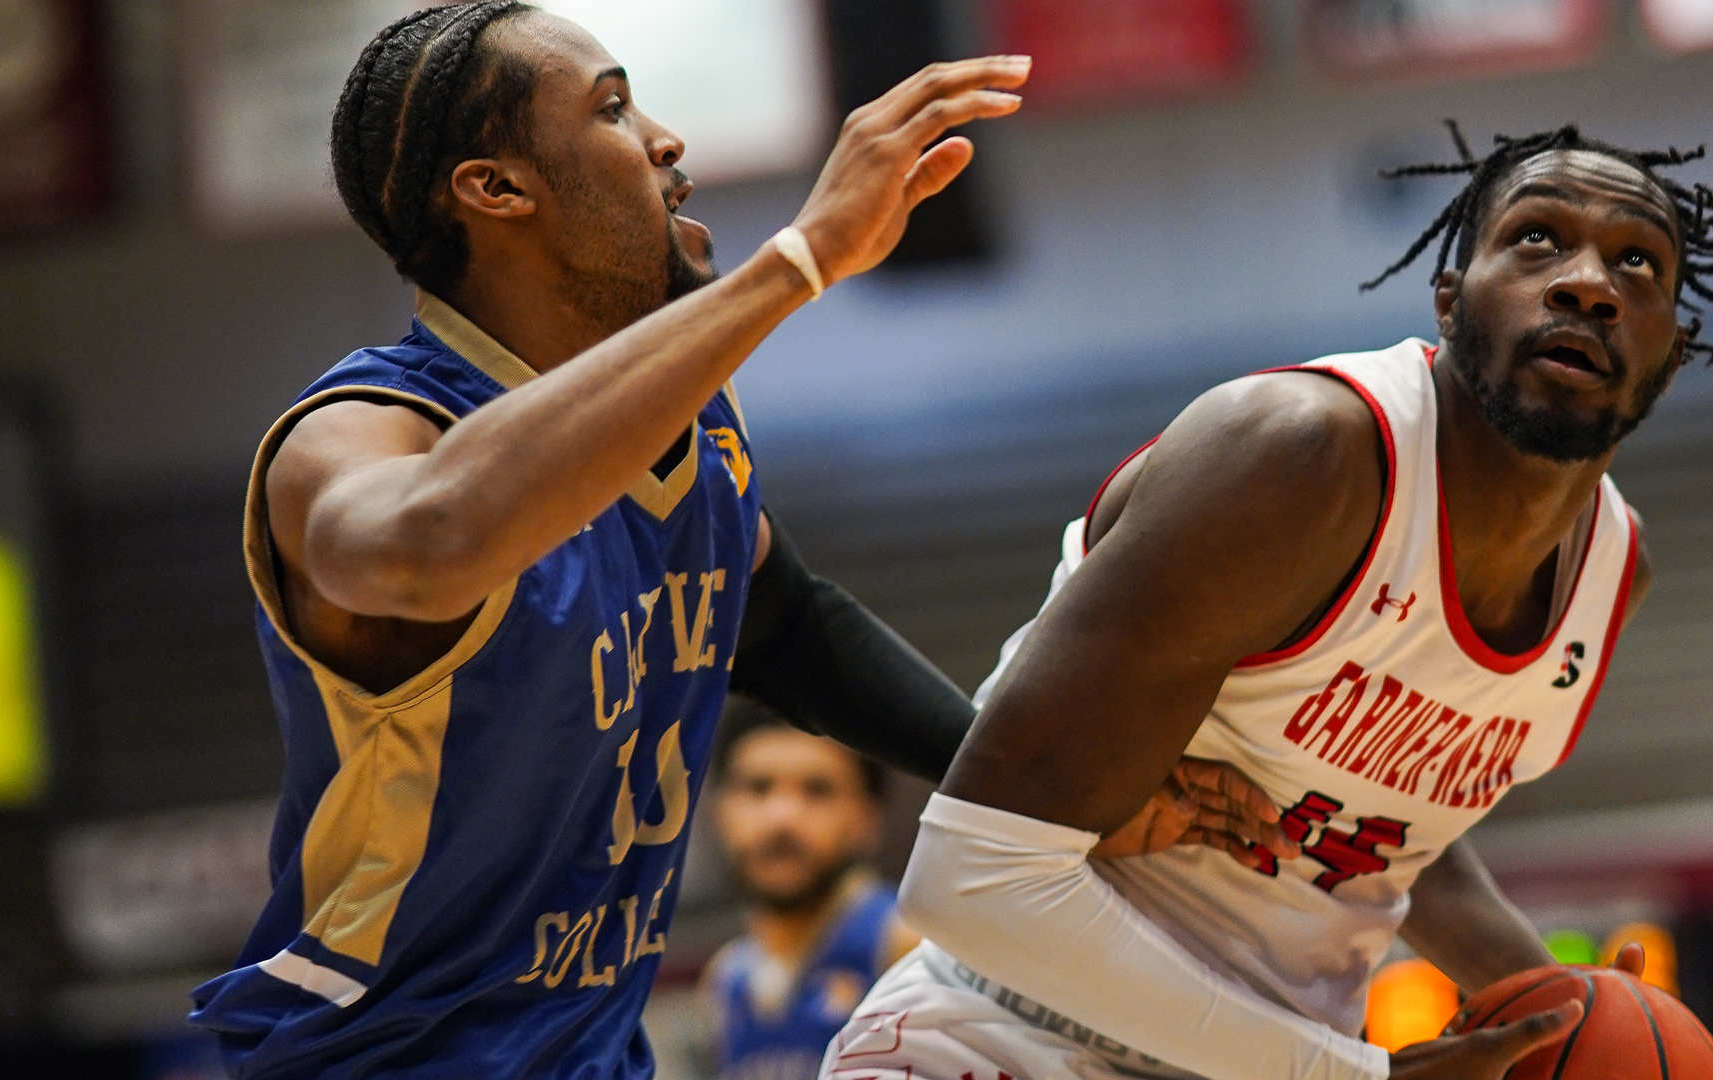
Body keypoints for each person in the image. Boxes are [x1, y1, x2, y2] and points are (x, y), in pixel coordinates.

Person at [183, 6, 1252, 1077]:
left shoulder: (692, 432)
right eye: (611, 108)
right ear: (496, 189)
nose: (664, 139)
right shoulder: (361, 429)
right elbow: (426, 544)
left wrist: (1048, 796)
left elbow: (787, 625)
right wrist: (798, 260)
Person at [825, 125, 1713, 1080]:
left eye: (1637, 264)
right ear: (1449, 301)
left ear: (1673, 353)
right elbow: (971, 883)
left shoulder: (1613, 571)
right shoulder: (1296, 455)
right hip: (1005, 1039)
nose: (1587, 283)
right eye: (1536, 239)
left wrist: (1558, 1016)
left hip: (1270, 1060)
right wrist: (1349, 1076)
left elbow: (1388, 838)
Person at [698, 700, 916, 1080]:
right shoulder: (724, 981)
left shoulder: (906, 945)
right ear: (719, 810)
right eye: (757, 787)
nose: (781, 816)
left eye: (817, 790)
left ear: (867, 817)